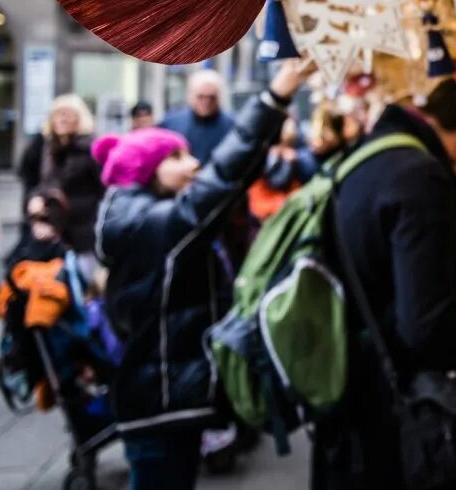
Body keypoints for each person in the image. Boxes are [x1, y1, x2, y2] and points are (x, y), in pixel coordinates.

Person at [93, 59, 312, 490]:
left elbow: (231, 180)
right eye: (175, 156)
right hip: (159, 399)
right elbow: (223, 176)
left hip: (166, 395)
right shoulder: (153, 224)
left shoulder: (140, 213)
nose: (192, 162)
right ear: (145, 170)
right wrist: (275, 97)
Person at [312, 77, 456, 489]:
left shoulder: (375, 152)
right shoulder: (422, 177)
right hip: (389, 412)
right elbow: (425, 327)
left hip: (350, 381)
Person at [17, 94, 105, 268]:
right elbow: (38, 182)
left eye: (68, 114)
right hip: (50, 229)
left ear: (80, 119)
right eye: (58, 114)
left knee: (82, 284)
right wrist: (35, 201)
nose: (62, 120)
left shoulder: (92, 148)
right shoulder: (44, 146)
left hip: (83, 232)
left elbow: (103, 189)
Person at [161, 70, 235, 165]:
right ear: (190, 95)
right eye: (201, 97)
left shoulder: (232, 125)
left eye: (211, 97)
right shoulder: (171, 123)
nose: (206, 102)